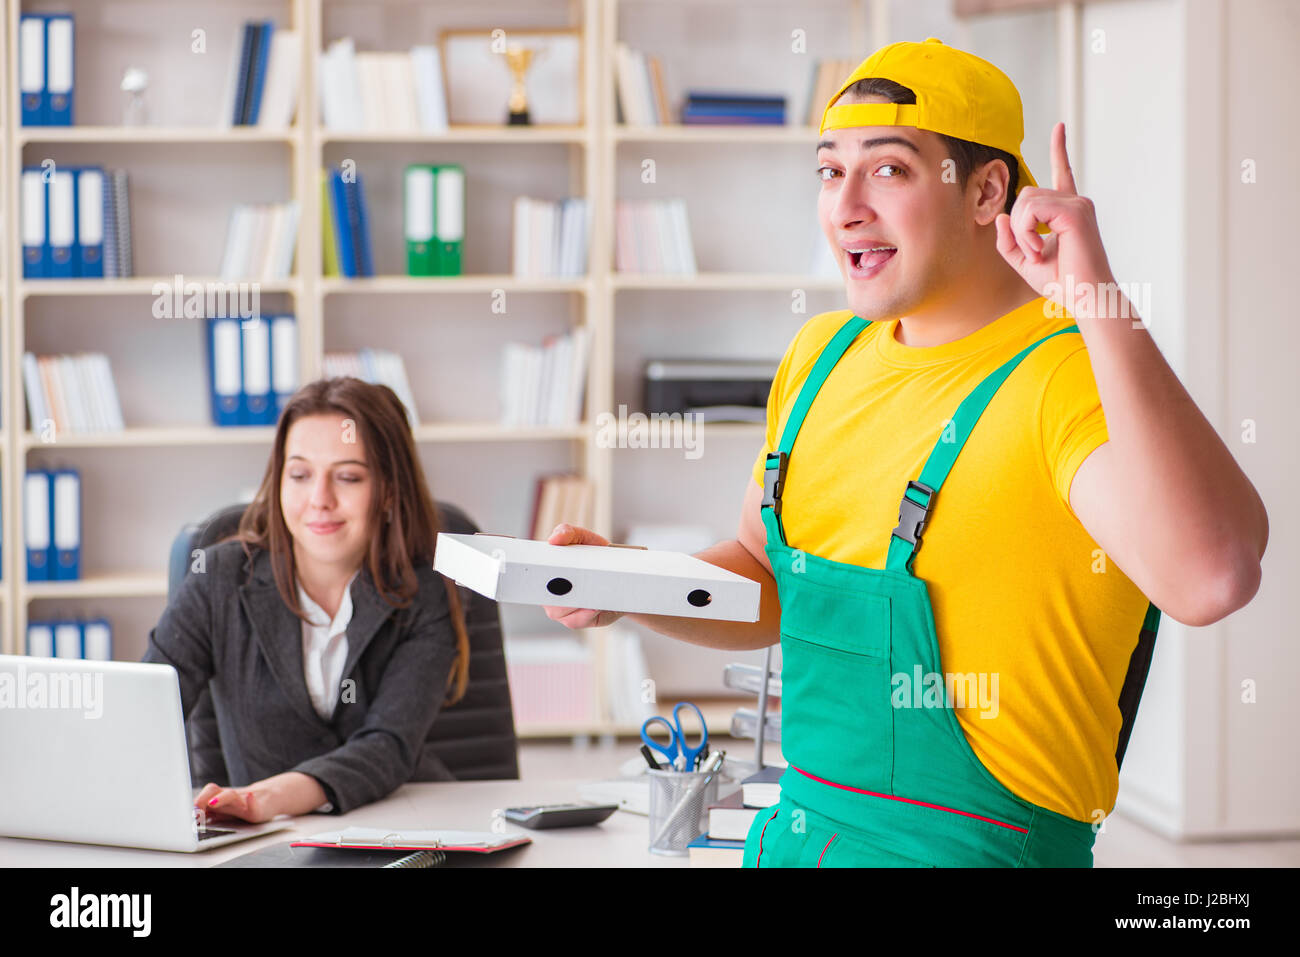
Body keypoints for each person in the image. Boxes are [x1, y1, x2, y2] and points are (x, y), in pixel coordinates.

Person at [543, 39, 1268, 866]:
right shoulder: (821, 358)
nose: (846, 207)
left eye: (888, 170)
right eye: (830, 171)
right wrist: (623, 582)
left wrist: (1094, 299)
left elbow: (1213, 577)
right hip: (801, 842)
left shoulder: (1067, 377)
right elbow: (765, 578)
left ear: (986, 191)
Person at [144, 377, 471, 822]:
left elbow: (388, 745)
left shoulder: (424, 592)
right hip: (261, 843)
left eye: (349, 477)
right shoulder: (218, 579)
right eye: (299, 475)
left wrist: (265, 799)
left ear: (390, 491)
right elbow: (146, 712)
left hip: (399, 827)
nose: (320, 500)